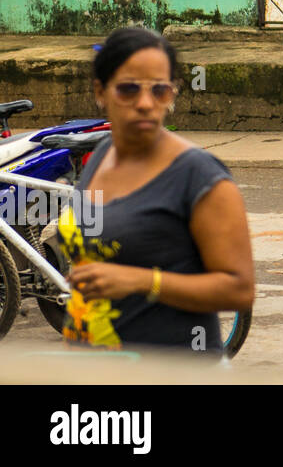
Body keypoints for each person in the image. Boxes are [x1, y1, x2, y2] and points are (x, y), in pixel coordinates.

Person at [57, 26, 254, 353]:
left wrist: (141, 281)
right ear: (100, 91)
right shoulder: (102, 155)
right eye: (128, 89)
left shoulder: (198, 175)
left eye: (160, 90)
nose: (146, 103)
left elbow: (239, 289)